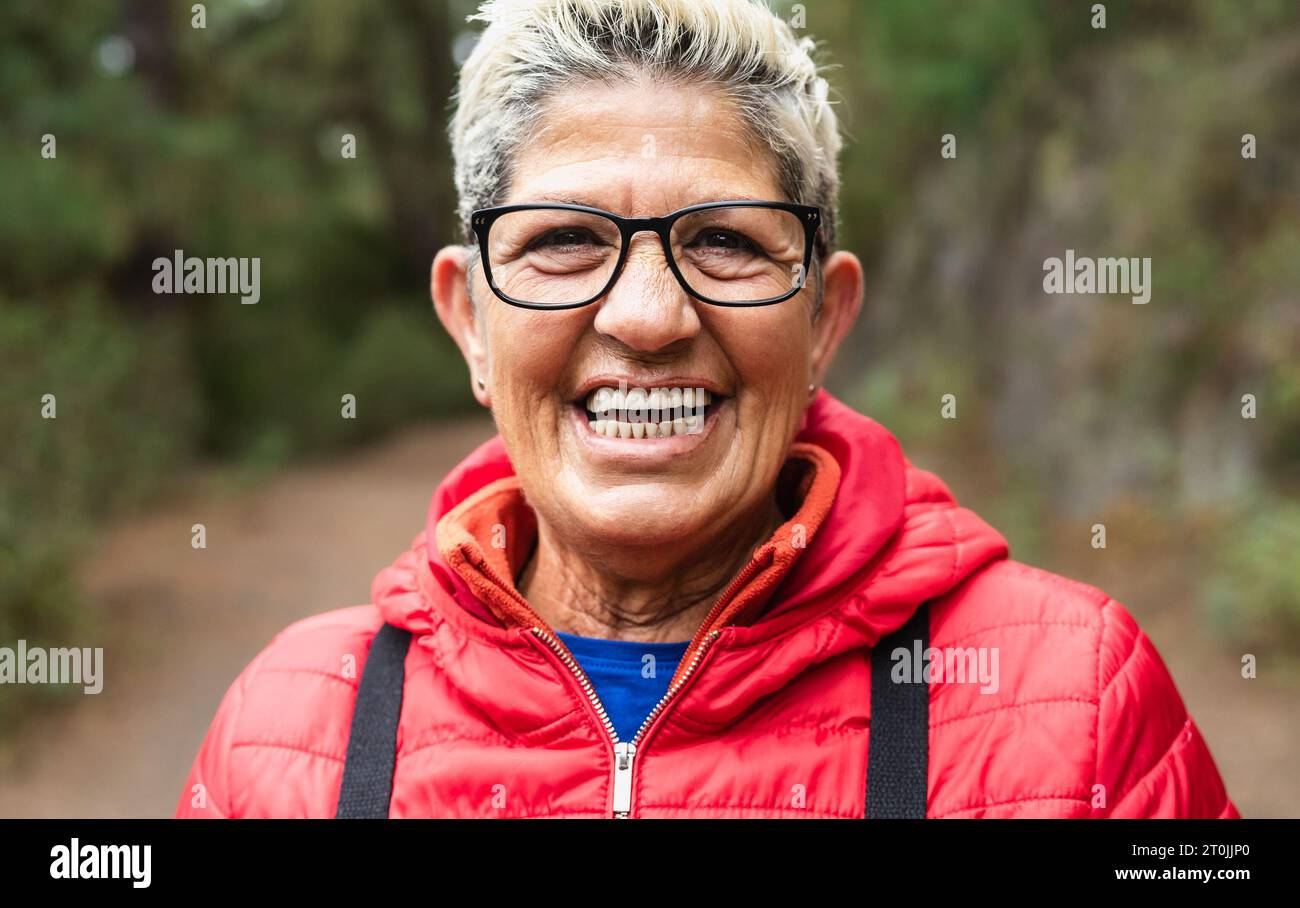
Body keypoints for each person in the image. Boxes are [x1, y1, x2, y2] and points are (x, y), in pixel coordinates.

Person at [176, 0, 1238, 819]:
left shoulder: (1075, 704)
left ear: (823, 317)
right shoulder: (290, 732)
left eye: (726, 241)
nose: (646, 315)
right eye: (563, 241)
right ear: (469, 320)